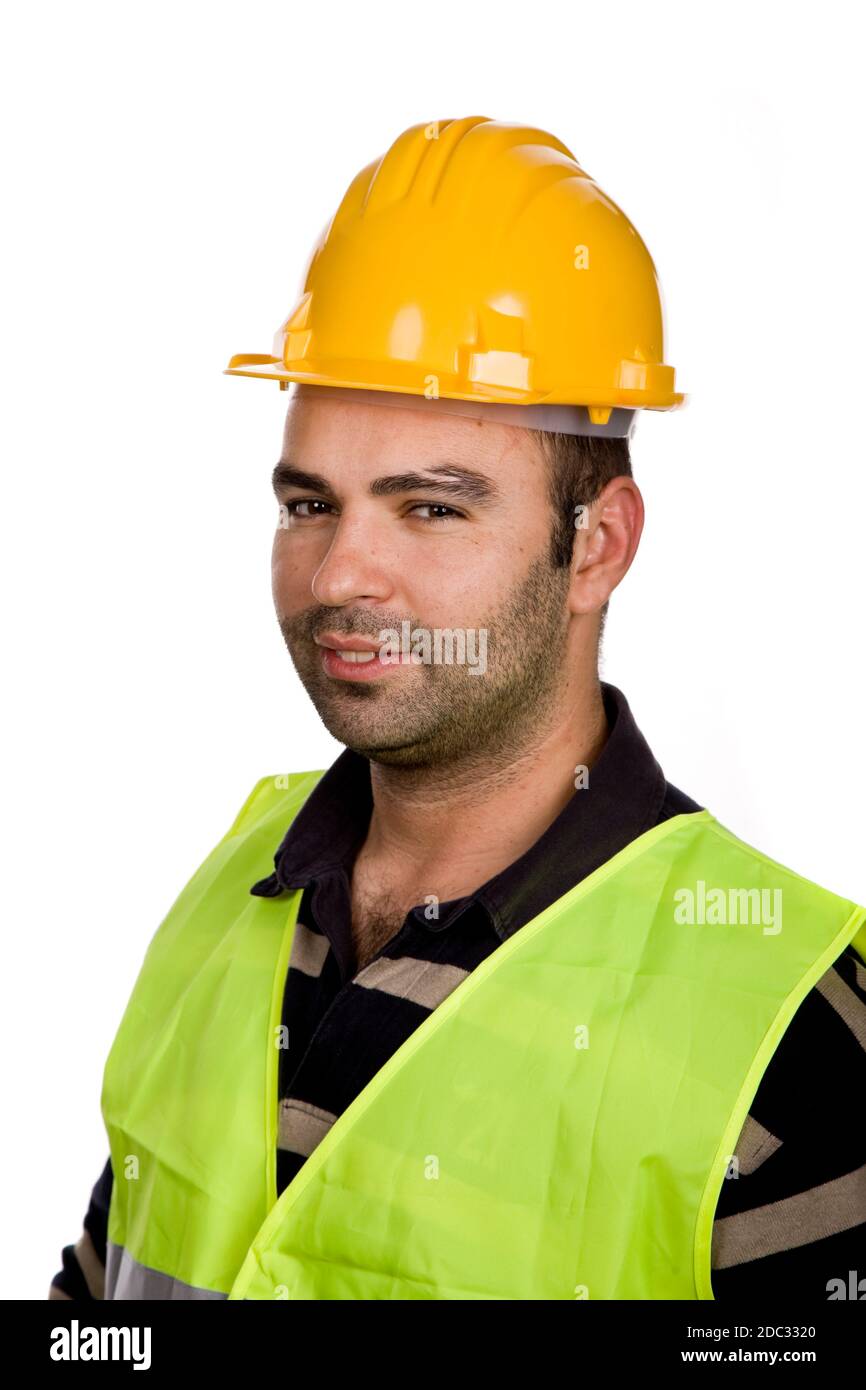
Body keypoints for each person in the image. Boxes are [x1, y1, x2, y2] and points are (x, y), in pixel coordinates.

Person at [51, 116, 866, 1302]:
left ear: (595, 547)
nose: (337, 576)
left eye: (429, 509)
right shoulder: (232, 890)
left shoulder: (787, 1030)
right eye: (307, 505)